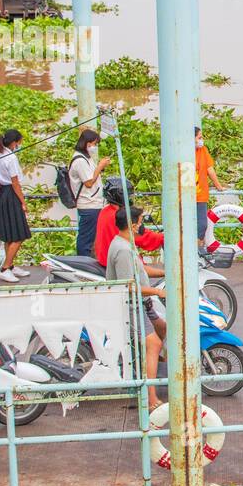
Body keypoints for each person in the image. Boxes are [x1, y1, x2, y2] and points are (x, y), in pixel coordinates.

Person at [106, 206, 165, 409]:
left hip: (142, 302)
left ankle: (151, 367)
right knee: (154, 344)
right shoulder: (122, 250)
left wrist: (166, 272)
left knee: (163, 328)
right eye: (140, 222)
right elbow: (129, 287)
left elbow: (140, 269)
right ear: (132, 225)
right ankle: (150, 399)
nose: (142, 226)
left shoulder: (126, 244)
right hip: (131, 305)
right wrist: (157, 292)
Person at [94, 177, 164, 268]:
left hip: (105, 259)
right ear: (120, 196)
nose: (130, 198)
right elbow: (141, 236)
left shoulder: (105, 211)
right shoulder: (120, 216)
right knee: (162, 274)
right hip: (118, 263)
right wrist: (162, 237)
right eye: (128, 195)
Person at [0, 129, 32, 283]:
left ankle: (11, 266)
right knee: (19, 235)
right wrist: (23, 202)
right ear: (14, 142)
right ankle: (5, 268)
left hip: (3, 195)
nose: (19, 145)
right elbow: (15, 183)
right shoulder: (11, 158)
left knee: (9, 234)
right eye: (19, 142)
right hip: (11, 194)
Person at [68, 129, 111, 257]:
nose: (95, 147)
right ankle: (83, 264)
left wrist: (99, 167)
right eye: (94, 143)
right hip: (88, 204)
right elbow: (88, 182)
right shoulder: (80, 161)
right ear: (86, 143)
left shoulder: (87, 158)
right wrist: (100, 166)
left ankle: (88, 262)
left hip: (94, 203)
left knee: (91, 237)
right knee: (86, 238)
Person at [195, 126, 224, 253]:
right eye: (199, 137)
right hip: (184, 197)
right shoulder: (183, 152)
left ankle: (198, 252)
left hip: (200, 196)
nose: (202, 140)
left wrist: (218, 185)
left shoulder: (203, 150)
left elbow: (209, 169)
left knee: (202, 226)